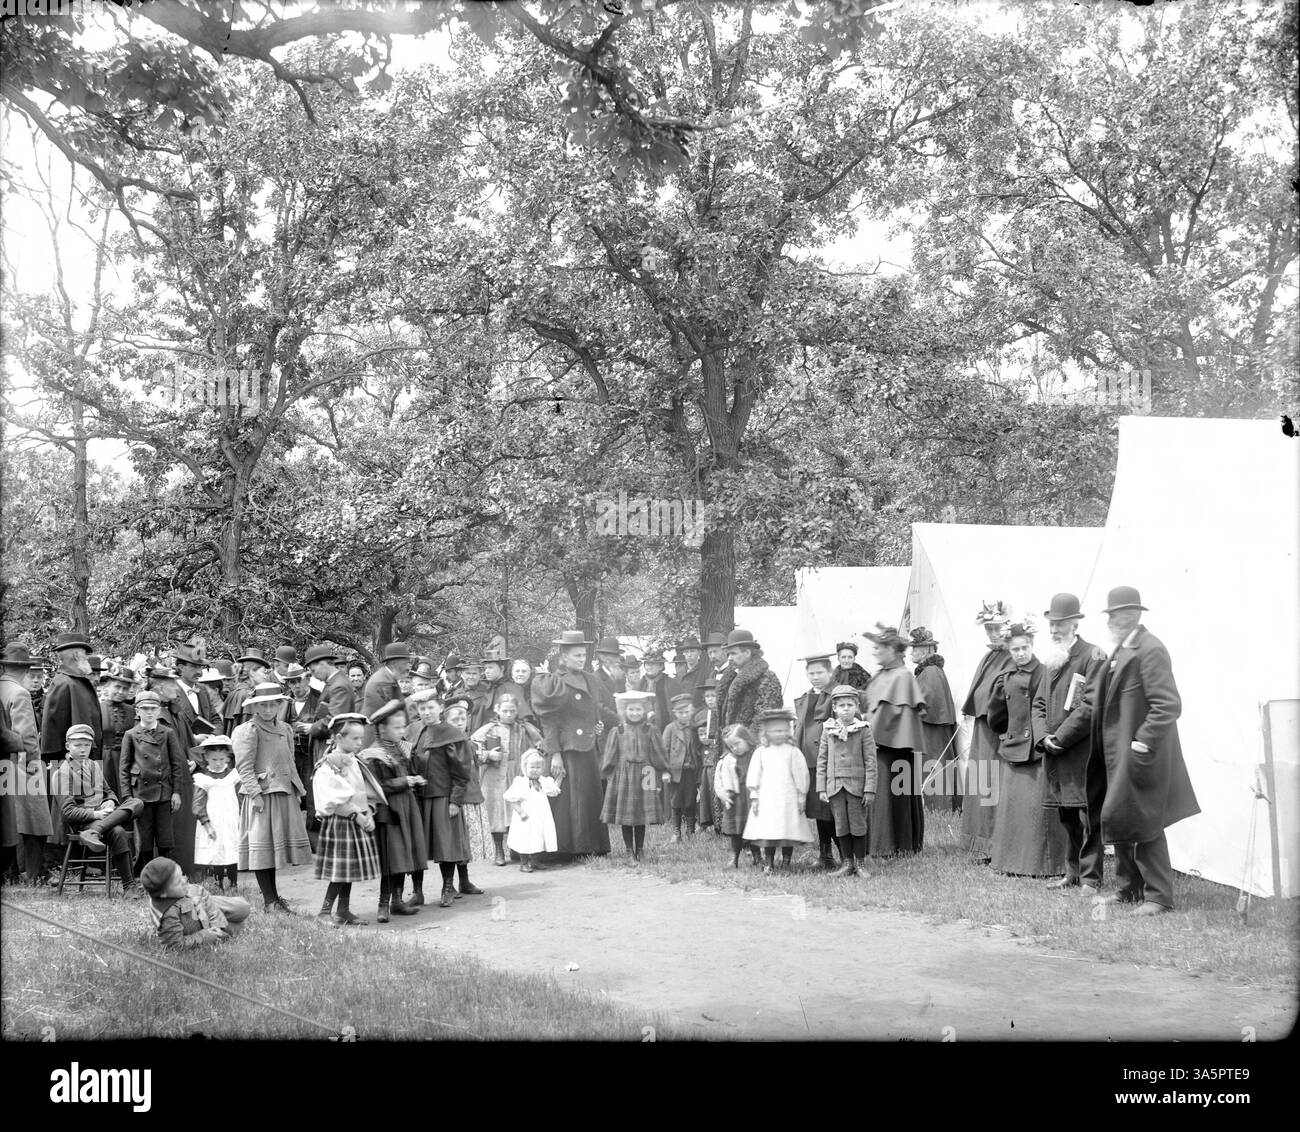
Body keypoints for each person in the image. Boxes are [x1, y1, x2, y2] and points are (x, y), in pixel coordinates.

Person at [1091, 587, 1200, 915]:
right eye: (1112, 614)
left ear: (1134, 616)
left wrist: (1142, 741)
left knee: (1145, 823)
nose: (1113, 620)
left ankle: (1158, 897)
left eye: (1119, 614)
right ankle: (1129, 890)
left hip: (1140, 754)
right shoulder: (1122, 649)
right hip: (1116, 755)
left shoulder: (1150, 648)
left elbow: (1167, 704)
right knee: (1121, 818)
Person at [1033, 594, 1109, 894]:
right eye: (1052, 624)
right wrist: (1043, 737)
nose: (1055, 630)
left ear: (1075, 623)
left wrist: (1060, 738)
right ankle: (1073, 873)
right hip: (1054, 754)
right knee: (1066, 816)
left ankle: (1091, 878)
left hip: (1082, 753)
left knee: (1088, 816)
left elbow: (1090, 706)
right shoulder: (1051, 660)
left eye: (1061, 623)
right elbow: (1038, 704)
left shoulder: (1094, 656)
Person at [988, 623, 1068, 877]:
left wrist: (1042, 737)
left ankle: (1043, 865)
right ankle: (1010, 862)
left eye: (1025, 648)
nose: (1021, 653)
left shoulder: (1044, 672)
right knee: (1013, 808)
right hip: (1014, 747)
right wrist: (1006, 732)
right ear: (1009, 650)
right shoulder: (1005, 675)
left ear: (1032, 646)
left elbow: (1048, 709)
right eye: (1015, 649)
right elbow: (996, 713)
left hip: (1036, 749)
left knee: (1037, 811)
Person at [531, 630, 618, 859]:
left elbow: (595, 708)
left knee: (589, 796)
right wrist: (555, 754)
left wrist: (596, 724)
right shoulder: (553, 682)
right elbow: (549, 721)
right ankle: (565, 849)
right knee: (568, 800)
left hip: (588, 747)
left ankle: (591, 845)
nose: (581, 659)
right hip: (566, 749)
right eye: (577, 655)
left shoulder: (590, 678)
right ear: (563, 656)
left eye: (583, 655)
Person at [233, 681, 310, 913]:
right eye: (262, 706)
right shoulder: (248, 730)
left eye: (272, 705)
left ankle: (275, 899)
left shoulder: (285, 729)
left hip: (282, 793)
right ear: (255, 707)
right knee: (262, 850)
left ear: (279, 705)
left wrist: (297, 790)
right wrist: (255, 794)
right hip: (262, 797)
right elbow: (243, 767)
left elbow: (291, 762)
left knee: (275, 851)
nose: (268, 710)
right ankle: (269, 901)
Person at [50, 724, 145, 897]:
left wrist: (109, 802)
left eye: (86, 745)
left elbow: (108, 791)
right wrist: (96, 814)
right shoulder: (62, 772)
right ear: (68, 746)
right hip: (82, 823)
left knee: (137, 803)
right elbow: (68, 812)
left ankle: (97, 831)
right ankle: (129, 886)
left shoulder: (93, 766)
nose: (82, 749)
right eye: (77, 745)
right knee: (117, 831)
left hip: (101, 819)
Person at [862, 625, 927, 856]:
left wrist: (869, 729)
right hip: (880, 744)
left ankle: (893, 844)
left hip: (894, 748)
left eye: (880, 648)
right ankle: (886, 843)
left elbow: (894, 715)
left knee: (894, 795)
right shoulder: (881, 675)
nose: (875, 652)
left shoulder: (903, 676)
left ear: (893, 650)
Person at [359, 700, 426, 920]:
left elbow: (412, 771)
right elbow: (377, 787)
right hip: (390, 812)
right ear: (382, 728)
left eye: (402, 727)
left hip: (407, 807)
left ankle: (397, 901)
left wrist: (416, 778)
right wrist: (405, 781)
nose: (401, 731)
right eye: (396, 727)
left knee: (405, 854)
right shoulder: (373, 754)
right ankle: (382, 904)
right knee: (391, 858)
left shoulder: (403, 748)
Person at [959, 602, 1017, 859]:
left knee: (994, 784)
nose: (993, 635)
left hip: (998, 730)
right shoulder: (990, 656)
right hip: (983, 729)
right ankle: (980, 843)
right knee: (982, 782)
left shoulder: (1013, 657)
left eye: (996, 629)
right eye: (989, 630)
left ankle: (996, 844)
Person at [312, 713, 380, 926]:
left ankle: (343, 910)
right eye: (355, 739)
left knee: (349, 869)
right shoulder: (330, 764)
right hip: (342, 821)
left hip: (357, 819)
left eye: (361, 738)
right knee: (340, 871)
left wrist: (368, 811)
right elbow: (331, 798)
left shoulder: (354, 760)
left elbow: (363, 789)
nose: (360, 743)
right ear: (339, 738)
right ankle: (324, 911)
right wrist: (357, 815)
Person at [408, 698, 475, 908]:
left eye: (431, 708)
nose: (426, 712)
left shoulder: (452, 735)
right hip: (418, 798)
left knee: (445, 843)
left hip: (442, 797)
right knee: (416, 845)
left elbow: (461, 772)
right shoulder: (413, 731)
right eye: (422, 708)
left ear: (440, 709)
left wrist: (455, 800)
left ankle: (447, 888)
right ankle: (417, 892)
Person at [0, 643, 53, 883]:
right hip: (19, 764)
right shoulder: (18, 693)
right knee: (34, 819)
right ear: (24, 669)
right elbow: (26, 735)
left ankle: (11, 873)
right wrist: (32, 763)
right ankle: (34, 874)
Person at [471, 694, 543, 866]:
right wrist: (488, 754)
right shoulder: (488, 729)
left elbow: (540, 744)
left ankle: (516, 848)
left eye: (512, 711)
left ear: (517, 711)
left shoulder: (524, 728)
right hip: (494, 776)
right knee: (496, 811)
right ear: (497, 710)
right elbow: (472, 749)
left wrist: (534, 755)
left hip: (517, 774)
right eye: (505, 711)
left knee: (517, 810)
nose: (509, 714)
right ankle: (498, 850)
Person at [120, 689, 186, 875]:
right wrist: (127, 796)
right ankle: (147, 876)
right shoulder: (131, 735)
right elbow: (123, 768)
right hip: (141, 793)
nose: (149, 712)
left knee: (166, 839)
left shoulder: (167, 733)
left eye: (153, 708)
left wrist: (176, 792)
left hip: (164, 792)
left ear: (159, 711)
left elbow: (177, 765)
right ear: (137, 711)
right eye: (144, 708)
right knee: (145, 839)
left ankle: (169, 876)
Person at [600, 690, 670, 862]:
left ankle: (640, 849)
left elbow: (658, 752)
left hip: (647, 774)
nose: (635, 713)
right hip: (624, 775)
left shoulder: (650, 730)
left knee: (641, 815)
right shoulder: (618, 731)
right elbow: (610, 754)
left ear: (644, 710)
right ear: (625, 711)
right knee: (627, 815)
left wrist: (664, 769)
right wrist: (609, 774)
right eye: (631, 710)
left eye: (638, 710)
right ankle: (629, 851)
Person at [817, 685, 878, 878]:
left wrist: (869, 789)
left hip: (856, 787)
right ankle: (846, 863)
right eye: (841, 705)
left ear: (857, 706)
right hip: (835, 787)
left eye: (850, 705)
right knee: (841, 825)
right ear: (834, 708)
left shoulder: (863, 730)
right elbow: (822, 760)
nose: (846, 709)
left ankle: (860, 863)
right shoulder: (828, 730)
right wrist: (821, 788)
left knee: (857, 824)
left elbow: (871, 761)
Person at [743, 708, 814, 873]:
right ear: (767, 732)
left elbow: (801, 774)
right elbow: (755, 775)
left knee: (787, 831)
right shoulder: (761, 752)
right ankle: (769, 862)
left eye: (784, 730)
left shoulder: (793, 752)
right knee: (770, 832)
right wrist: (754, 796)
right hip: (767, 799)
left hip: (787, 798)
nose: (780, 734)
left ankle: (787, 862)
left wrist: (801, 795)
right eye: (776, 730)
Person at [141, 856, 250, 950]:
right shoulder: (167, 913)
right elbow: (176, 945)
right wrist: (205, 935)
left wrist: (217, 925)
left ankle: (222, 923)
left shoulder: (182, 888)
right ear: (164, 894)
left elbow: (201, 892)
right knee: (239, 927)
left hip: (205, 905)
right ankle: (224, 928)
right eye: (178, 881)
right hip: (197, 924)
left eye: (182, 875)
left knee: (243, 908)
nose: (185, 880)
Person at [794, 652, 837, 869]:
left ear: (830, 672)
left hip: (830, 762)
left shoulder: (837, 696)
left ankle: (849, 856)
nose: (815, 677)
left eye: (820, 672)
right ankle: (825, 855)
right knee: (819, 811)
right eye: (811, 673)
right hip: (810, 762)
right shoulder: (805, 696)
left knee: (833, 811)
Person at [909, 628, 959, 813]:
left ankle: (938, 810)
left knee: (933, 769)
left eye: (915, 648)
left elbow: (923, 701)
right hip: (931, 728)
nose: (911, 652)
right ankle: (937, 809)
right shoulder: (931, 670)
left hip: (931, 730)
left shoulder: (929, 671)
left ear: (927, 650)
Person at [40, 632, 103, 768]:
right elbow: (52, 736)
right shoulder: (63, 683)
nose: (87, 658)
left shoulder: (77, 682)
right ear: (76, 655)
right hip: (72, 767)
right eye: (85, 654)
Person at [192, 734, 241, 892]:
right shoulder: (203, 779)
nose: (219, 763)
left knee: (233, 847)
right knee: (217, 850)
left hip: (231, 819)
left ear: (227, 758)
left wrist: (243, 818)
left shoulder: (233, 776)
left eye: (221, 759)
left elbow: (241, 797)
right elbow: (198, 803)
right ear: (206, 758)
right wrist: (206, 824)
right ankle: (218, 882)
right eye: (214, 760)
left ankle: (234, 882)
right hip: (213, 821)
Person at [717, 629, 784, 737]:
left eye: (733, 653)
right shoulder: (730, 677)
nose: (729, 658)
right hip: (730, 744)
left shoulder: (767, 678)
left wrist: (746, 742)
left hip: (750, 746)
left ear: (747, 653)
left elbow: (765, 718)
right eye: (729, 654)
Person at [504, 749, 561, 872]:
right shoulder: (520, 782)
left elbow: (554, 791)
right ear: (525, 767)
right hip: (526, 817)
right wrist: (521, 812)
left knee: (538, 837)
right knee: (524, 837)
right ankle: (523, 863)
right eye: (532, 767)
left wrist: (560, 777)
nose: (535, 770)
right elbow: (511, 799)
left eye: (538, 767)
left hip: (540, 816)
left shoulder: (543, 781)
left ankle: (535, 861)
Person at [715, 723, 761, 868]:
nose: (735, 748)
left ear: (747, 739)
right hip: (736, 798)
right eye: (731, 746)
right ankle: (734, 857)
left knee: (754, 829)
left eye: (737, 744)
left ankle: (757, 856)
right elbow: (720, 779)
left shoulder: (756, 754)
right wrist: (723, 794)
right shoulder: (727, 759)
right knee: (736, 830)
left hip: (751, 797)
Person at [660, 692, 702, 841]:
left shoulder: (695, 728)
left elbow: (698, 749)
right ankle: (676, 832)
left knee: (690, 800)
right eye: (680, 713)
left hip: (691, 771)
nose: (684, 716)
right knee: (676, 801)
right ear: (675, 713)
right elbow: (663, 751)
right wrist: (665, 771)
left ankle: (691, 831)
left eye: (686, 712)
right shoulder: (670, 728)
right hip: (676, 772)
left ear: (691, 711)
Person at [361, 643, 411, 745]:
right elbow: (396, 712)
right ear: (394, 663)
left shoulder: (387, 677)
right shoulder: (383, 682)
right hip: (377, 743)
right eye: (405, 663)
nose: (408, 667)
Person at [224, 648, 273, 733]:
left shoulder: (234, 693)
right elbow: (250, 732)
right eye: (264, 672)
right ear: (252, 672)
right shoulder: (249, 696)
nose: (265, 676)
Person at [677, 636, 706, 707]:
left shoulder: (705, 671)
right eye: (686, 652)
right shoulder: (679, 671)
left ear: (699, 652)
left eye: (692, 651)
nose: (689, 655)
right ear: (683, 653)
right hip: (683, 710)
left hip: (699, 710)